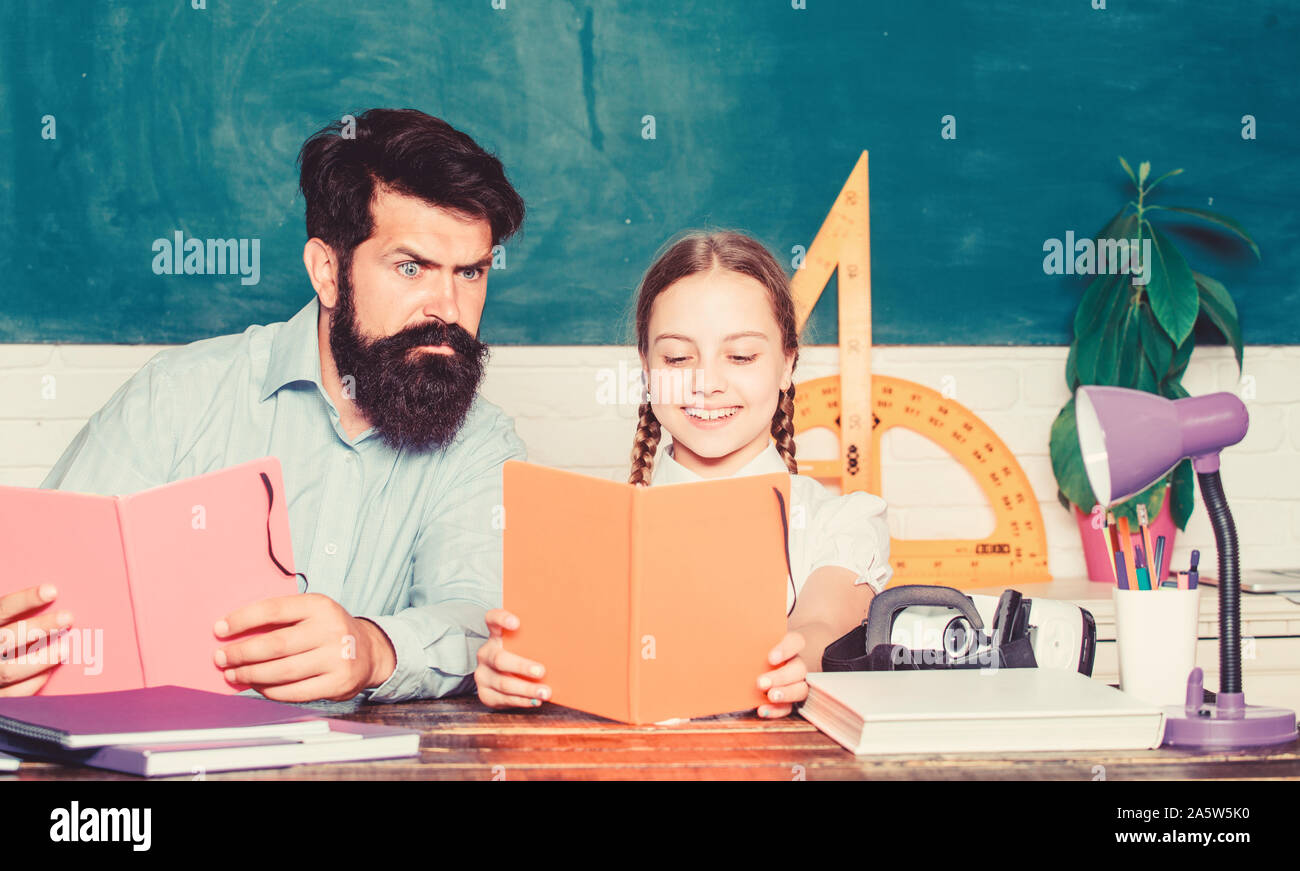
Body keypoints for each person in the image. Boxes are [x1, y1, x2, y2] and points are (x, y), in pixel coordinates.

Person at [7, 109, 527, 702]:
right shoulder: (177, 397)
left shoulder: (482, 442)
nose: (449, 308)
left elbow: (479, 615)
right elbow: (42, 583)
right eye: (411, 268)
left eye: (471, 272)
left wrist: (373, 648)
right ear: (327, 272)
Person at [475, 230, 892, 718]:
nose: (707, 383)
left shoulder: (841, 522)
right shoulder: (589, 519)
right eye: (677, 358)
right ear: (647, 369)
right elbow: (552, 657)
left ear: (787, 365)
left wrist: (793, 658)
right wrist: (515, 671)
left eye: (740, 356)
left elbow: (821, 626)